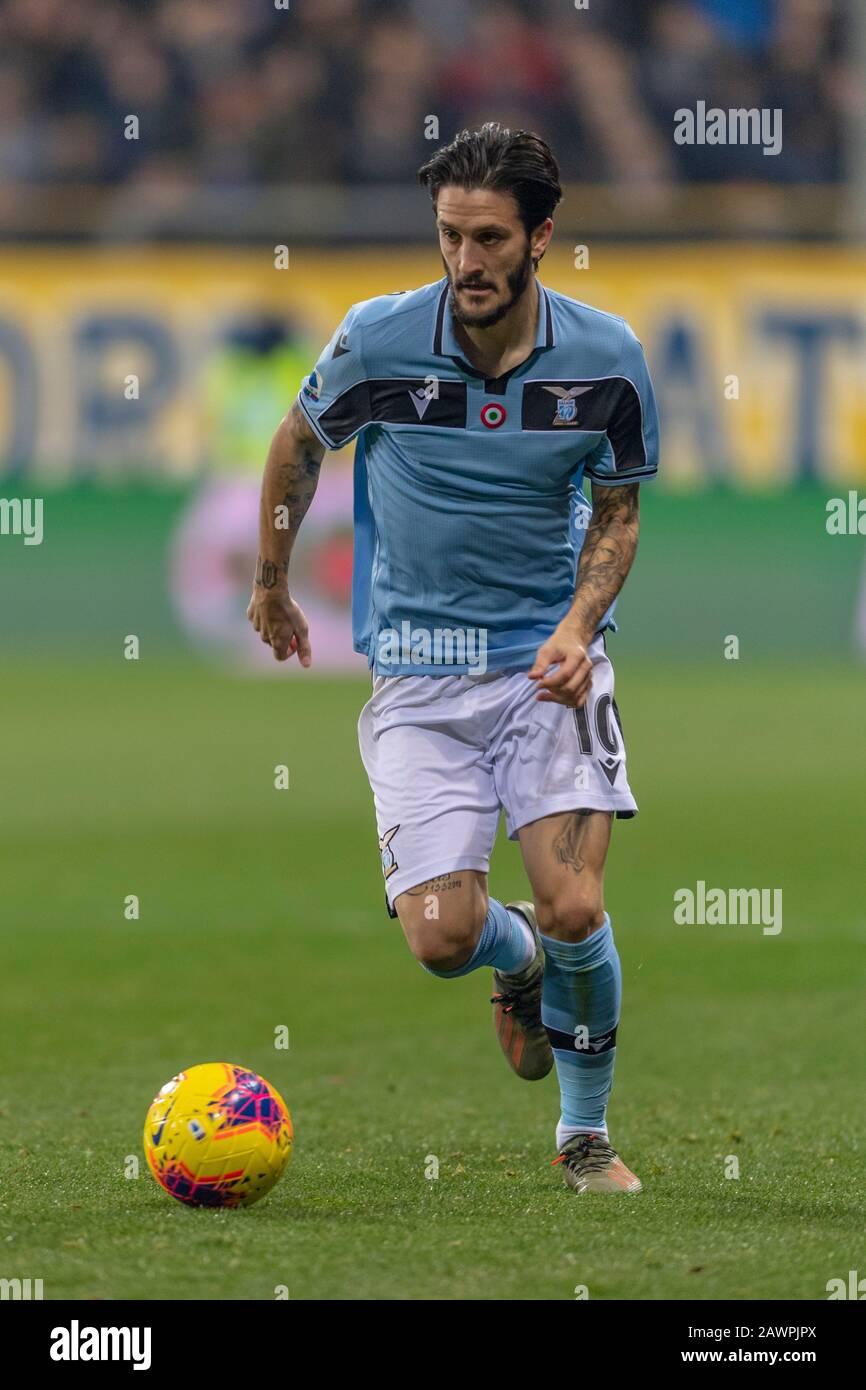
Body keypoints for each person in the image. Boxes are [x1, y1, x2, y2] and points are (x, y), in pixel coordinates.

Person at [247, 123, 659, 1194]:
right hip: (419, 680)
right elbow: (298, 441)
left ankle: (584, 1135)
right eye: (448, 236)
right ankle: (514, 962)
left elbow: (615, 516)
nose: (465, 261)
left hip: (543, 668)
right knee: (440, 939)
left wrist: (578, 626)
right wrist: (271, 576)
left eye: (487, 238)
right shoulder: (379, 342)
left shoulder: (605, 359)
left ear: (539, 238)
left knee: (575, 904)